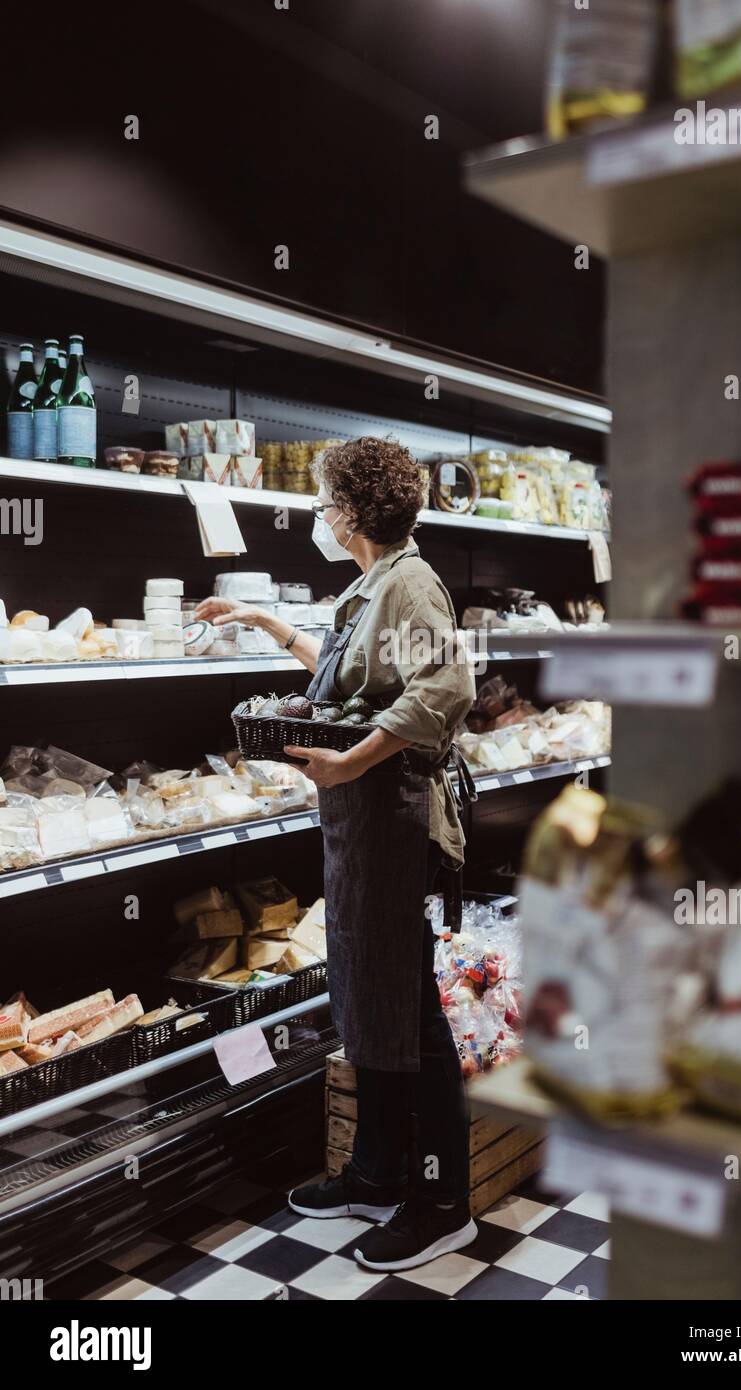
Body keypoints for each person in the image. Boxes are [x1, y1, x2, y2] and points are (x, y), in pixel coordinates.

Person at [197, 436, 477, 1271]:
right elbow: (349, 685)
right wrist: (268, 624)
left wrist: (352, 761)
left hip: (394, 825)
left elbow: (447, 688)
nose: (321, 516)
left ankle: (441, 1201)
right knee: (372, 1004)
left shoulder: (411, 583)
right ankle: (378, 1172)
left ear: (351, 511)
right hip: (363, 830)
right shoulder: (374, 586)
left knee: (411, 1015)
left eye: (325, 503)